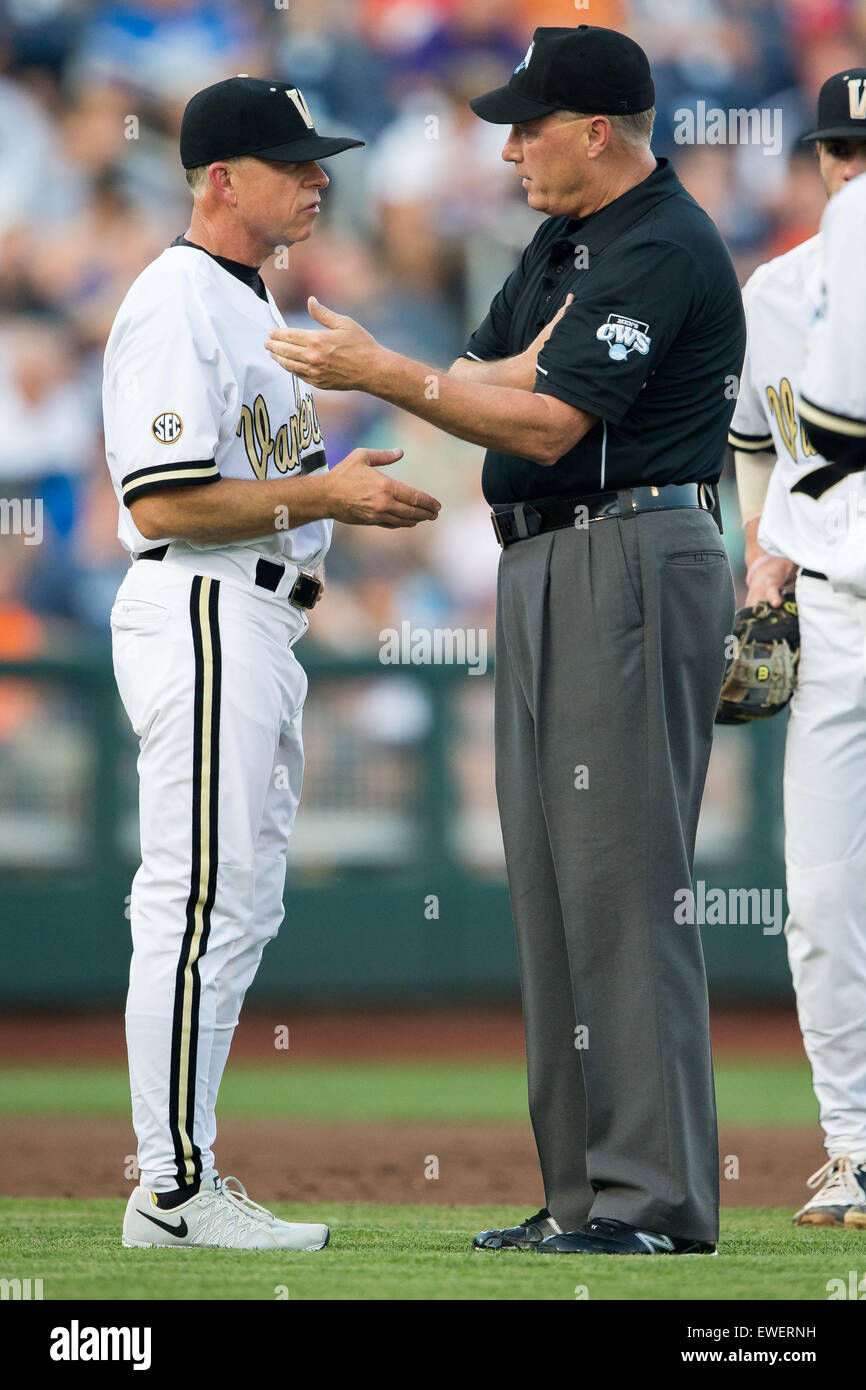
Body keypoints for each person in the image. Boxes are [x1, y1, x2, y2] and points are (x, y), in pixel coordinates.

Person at [267, 25, 744, 1255]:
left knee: (620, 887)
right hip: (547, 556)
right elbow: (487, 371)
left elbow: (534, 419)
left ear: (597, 129)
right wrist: (451, 382)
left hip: (631, 548)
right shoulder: (561, 242)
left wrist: (385, 370)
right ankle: (584, 1193)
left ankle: (649, 1203)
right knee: (547, 882)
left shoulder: (661, 244)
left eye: (530, 122)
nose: (510, 140)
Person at [103, 76, 440, 1251]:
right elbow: (163, 498)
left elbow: (251, 488)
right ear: (219, 178)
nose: (318, 178)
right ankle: (173, 1189)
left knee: (237, 906)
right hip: (201, 606)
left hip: (257, 619)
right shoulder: (175, 299)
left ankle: (180, 1178)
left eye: (319, 161)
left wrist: (337, 484)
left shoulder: (251, 305)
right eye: (293, 162)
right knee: (196, 901)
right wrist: (323, 489)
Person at [729, 70, 866, 1227]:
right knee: (819, 899)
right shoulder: (771, 294)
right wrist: (762, 547)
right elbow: (752, 449)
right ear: (818, 162)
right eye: (841, 150)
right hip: (825, 611)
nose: (853, 169)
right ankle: (852, 1146)